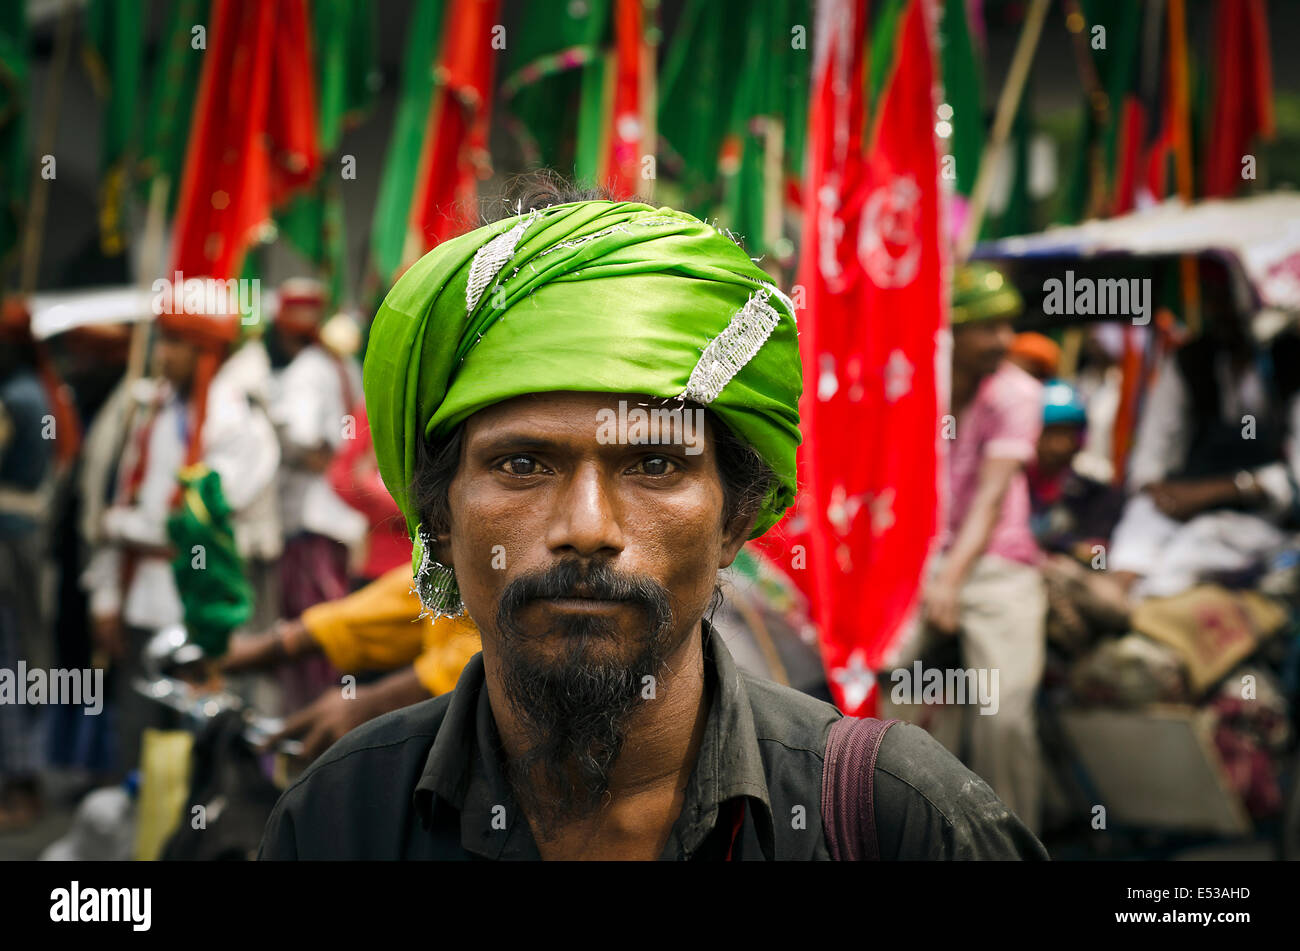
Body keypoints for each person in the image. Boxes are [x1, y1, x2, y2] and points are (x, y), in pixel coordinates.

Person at [259, 184, 1047, 860]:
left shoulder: (889, 818)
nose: (588, 527)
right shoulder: (339, 817)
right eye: (523, 465)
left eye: (656, 465)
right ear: (439, 513)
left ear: (737, 516)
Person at [80, 286, 281, 774]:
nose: (161, 353)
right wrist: (105, 597)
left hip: (200, 616)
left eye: (174, 342)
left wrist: (119, 525)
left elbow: (195, 527)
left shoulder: (241, 423)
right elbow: (122, 498)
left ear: (205, 349)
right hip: (139, 606)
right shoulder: (150, 408)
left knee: (196, 758)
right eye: (162, 339)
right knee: (137, 746)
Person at [886, 262, 1048, 836]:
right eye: (987, 326)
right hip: (919, 560)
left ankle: (1013, 846)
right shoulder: (912, 385)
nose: (1003, 339)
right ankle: (885, 830)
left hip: (997, 565)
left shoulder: (1018, 393)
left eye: (1007, 324)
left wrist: (950, 581)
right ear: (950, 329)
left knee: (1003, 720)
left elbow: (989, 501)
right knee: (877, 687)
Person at [1107, 314, 1300, 603]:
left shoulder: (1290, 367)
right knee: (1143, 518)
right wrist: (1161, 491)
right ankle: (1115, 592)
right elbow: (1151, 457)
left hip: (1263, 520)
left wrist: (1224, 490)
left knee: (1198, 543)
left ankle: (1143, 611)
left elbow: (1294, 481)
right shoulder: (1190, 361)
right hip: (1182, 500)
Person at [0, 298, 56, 830]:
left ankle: (23, 785)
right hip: (20, 545)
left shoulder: (17, 398)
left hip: (11, 550)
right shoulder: (29, 392)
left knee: (13, 665)